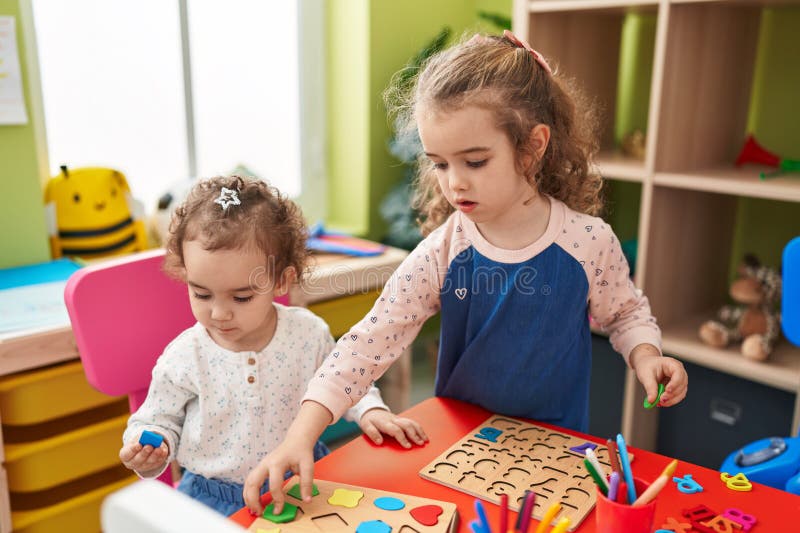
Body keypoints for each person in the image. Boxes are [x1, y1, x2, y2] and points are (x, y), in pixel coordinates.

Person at [244, 31, 689, 514]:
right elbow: (369, 342)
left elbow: (624, 315)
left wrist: (647, 356)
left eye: (474, 161)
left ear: (532, 146)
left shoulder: (588, 241)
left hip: (558, 448)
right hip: (460, 446)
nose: (454, 182)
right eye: (438, 163)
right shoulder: (444, 249)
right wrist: (301, 435)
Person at [119, 176, 427, 516]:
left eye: (242, 296)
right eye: (201, 293)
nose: (219, 312)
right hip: (211, 500)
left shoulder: (307, 332)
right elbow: (157, 420)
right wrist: (151, 445)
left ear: (282, 280)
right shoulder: (183, 356)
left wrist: (371, 409)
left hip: (303, 482)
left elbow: (343, 379)